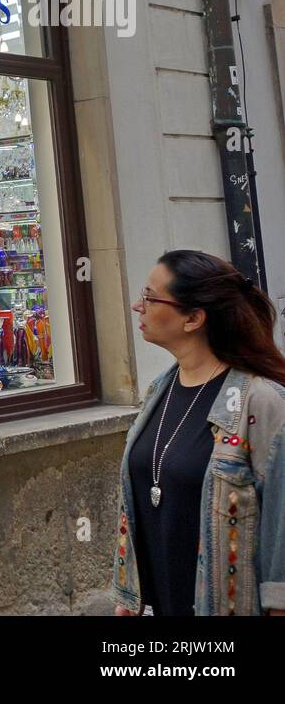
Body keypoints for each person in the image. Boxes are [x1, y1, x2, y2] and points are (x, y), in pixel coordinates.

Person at [111, 250, 285, 616]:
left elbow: (281, 520)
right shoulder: (161, 389)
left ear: (193, 318)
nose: (136, 306)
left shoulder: (260, 402)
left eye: (149, 296)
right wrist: (126, 592)